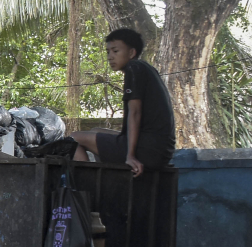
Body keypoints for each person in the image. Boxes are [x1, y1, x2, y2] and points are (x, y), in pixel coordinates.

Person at [71, 28, 176, 176]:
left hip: (146, 150)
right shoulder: (146, 68)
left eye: (115, 51)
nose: (110, 57)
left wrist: (130, 156)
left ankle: (88, 184)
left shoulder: (134, 68)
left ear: (131, 53)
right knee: (95, 130)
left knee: (73, 139)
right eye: (108, 52)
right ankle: (105, 177)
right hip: (160, 150)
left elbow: (135, 112)